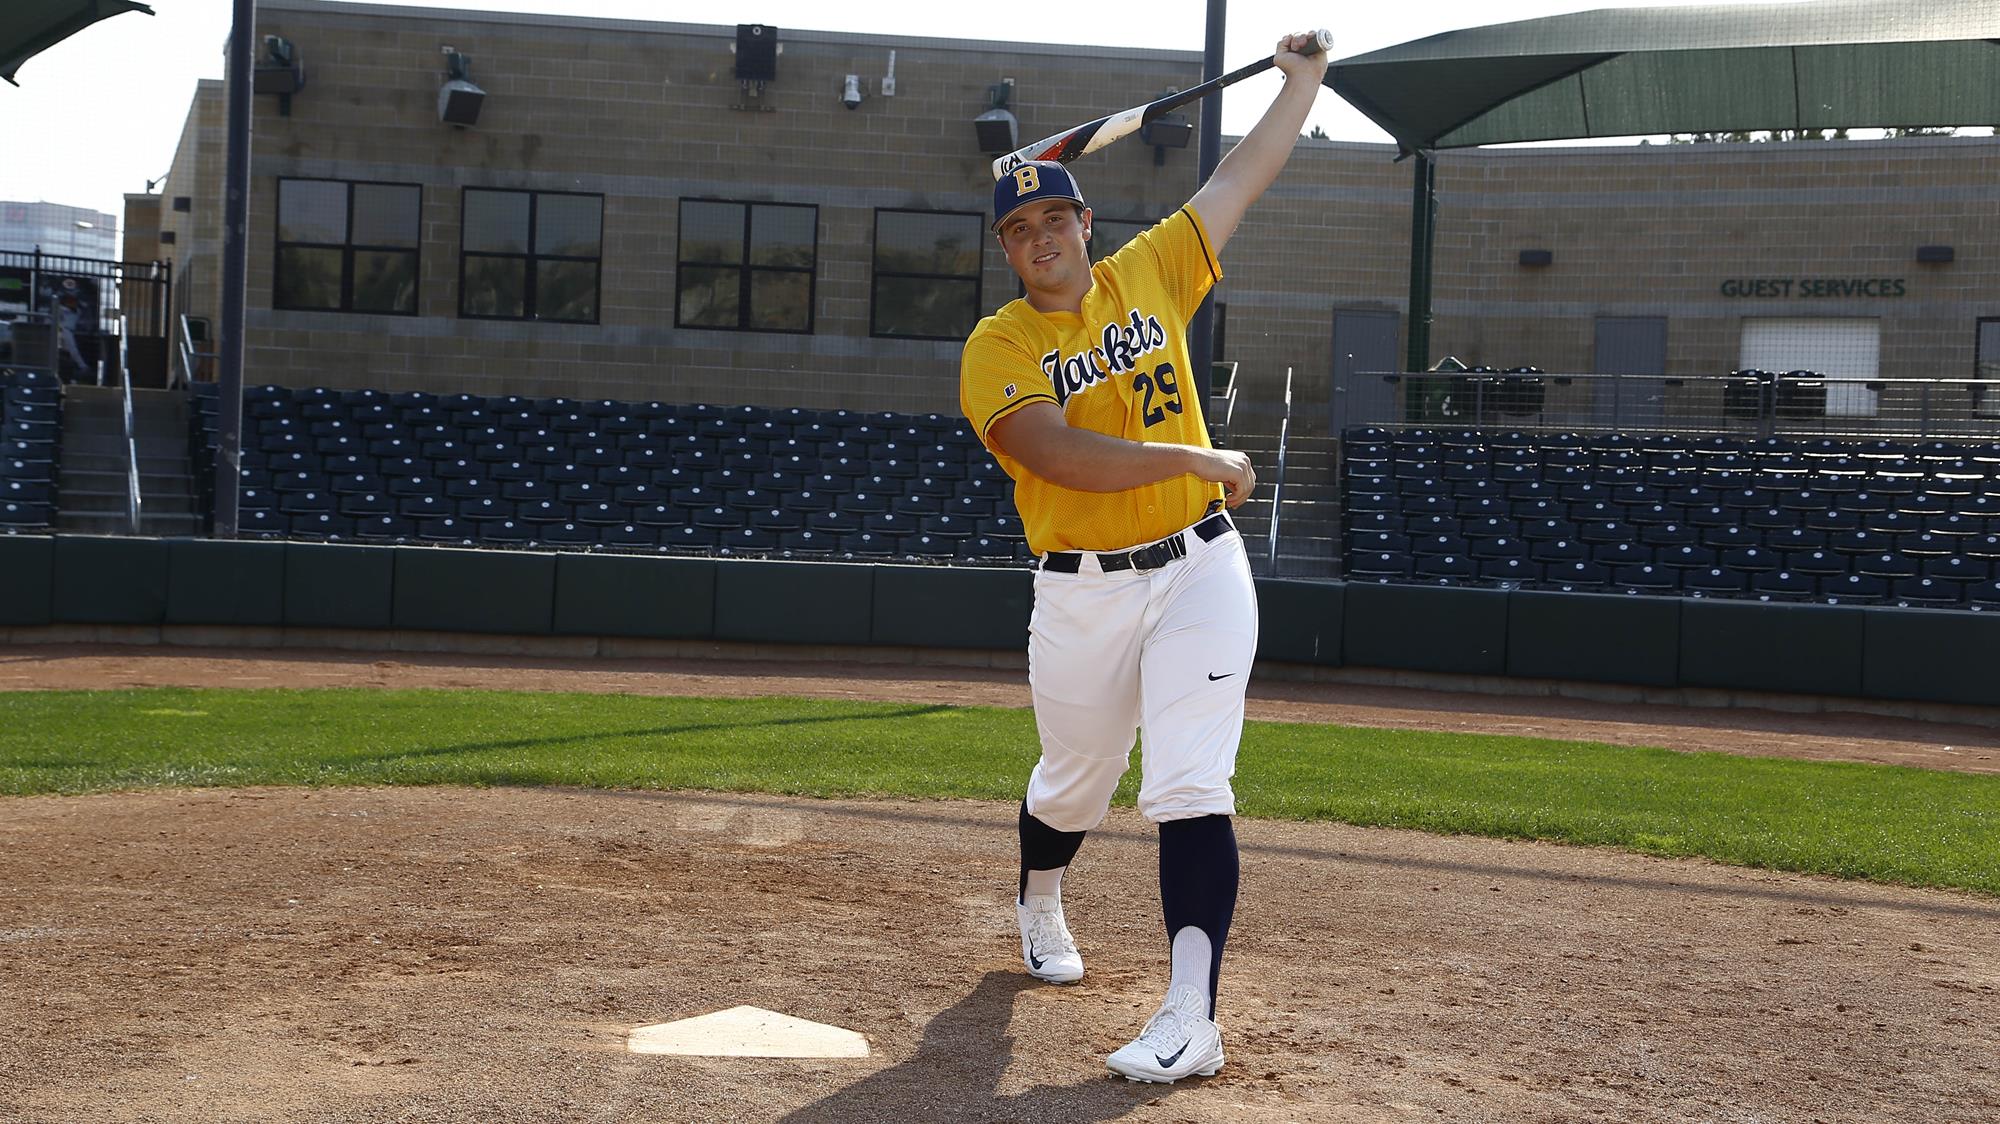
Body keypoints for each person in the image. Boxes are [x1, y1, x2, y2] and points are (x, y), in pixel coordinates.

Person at [957, 32, 1330, 1085]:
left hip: (1198, 567)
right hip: (1080, 592)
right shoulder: (997, 347)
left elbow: (1236, 178)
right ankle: (1038, 896)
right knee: (1073, 783)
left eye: (1054, 217)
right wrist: (1196, 453)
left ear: (1087, 222)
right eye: (1018, 227)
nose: (1040, 237)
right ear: (1005, 250)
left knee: (1186, 781)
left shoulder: (1152, 268)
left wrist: (1300, 85)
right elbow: (1055, 453)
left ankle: (1188, 1012)